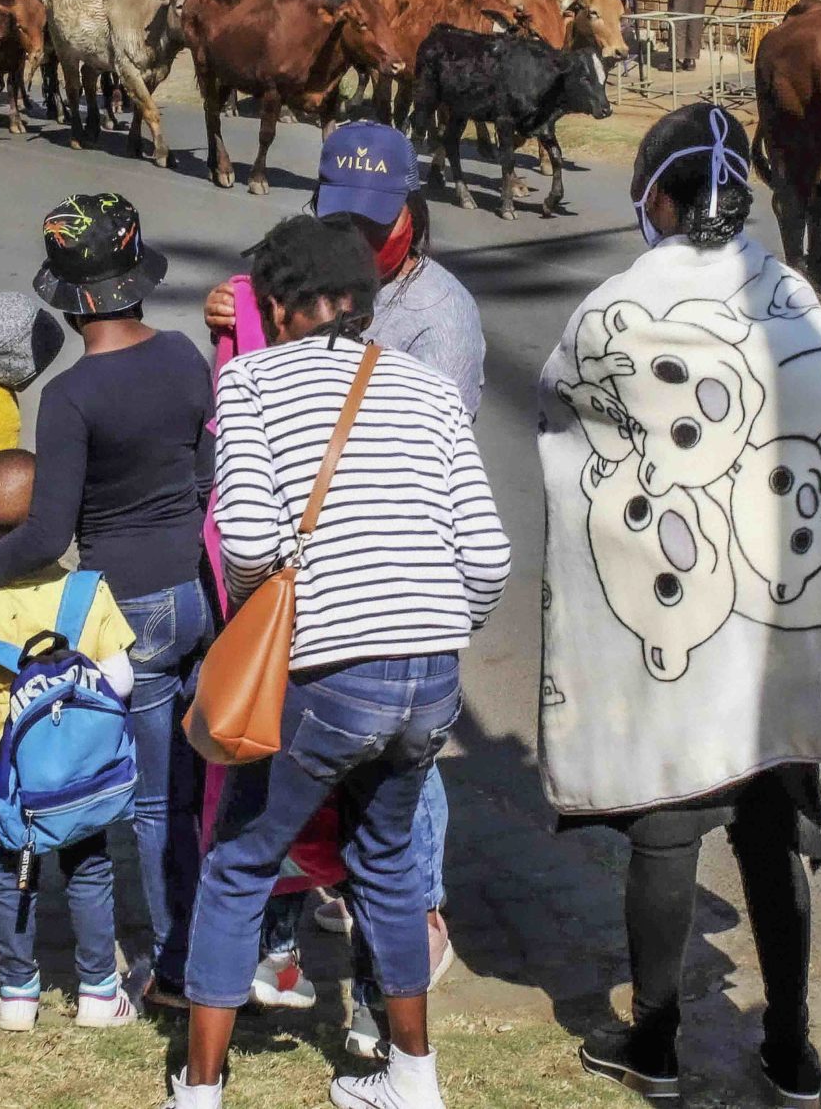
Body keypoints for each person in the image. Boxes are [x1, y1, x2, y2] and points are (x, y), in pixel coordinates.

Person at [537, 103, 821, 1107]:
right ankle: (789, 1046)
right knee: (770, 825)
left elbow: (564, 418)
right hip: (779, 622)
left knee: (668, 822)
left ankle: (652, 1039)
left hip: (677, 632)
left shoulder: (616, 305)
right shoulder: (795, 298)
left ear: (656, 195)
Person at [176, 215, 510, 1109]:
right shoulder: (429, 391)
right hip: (429, 675)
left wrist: (278, 605)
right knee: (390, 864)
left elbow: (244, 538)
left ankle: (199, 1089)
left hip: (325, 674)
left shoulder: (249, 381)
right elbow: (487, 557)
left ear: (278, 307)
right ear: (362, 303)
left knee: (239, 863)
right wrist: (435, 624)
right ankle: (412, 1081)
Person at [0, 191, 213, 1007]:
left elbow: (43, 535)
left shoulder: (69, 396)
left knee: (158, 805)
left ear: (63, 296)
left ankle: (176, 968)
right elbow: (206, 479)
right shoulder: (184, 355)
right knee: (209, 787)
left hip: (129, 613)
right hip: (203, 592)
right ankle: (237, 934)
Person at [0, 448, 140, 1032]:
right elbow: (122, 679)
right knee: (89, 871)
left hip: (17, 784)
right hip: (83, 777)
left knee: (15, 876)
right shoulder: (87, 590)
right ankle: (99, 992)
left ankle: (18, 994)